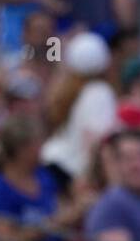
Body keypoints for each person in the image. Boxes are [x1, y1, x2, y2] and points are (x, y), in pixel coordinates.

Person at [41, 32, 118, 183]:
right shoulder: (99, 91)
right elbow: (95, 140)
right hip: (72, 172)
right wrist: (90, 181)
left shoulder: (67, 89)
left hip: (53, 162)